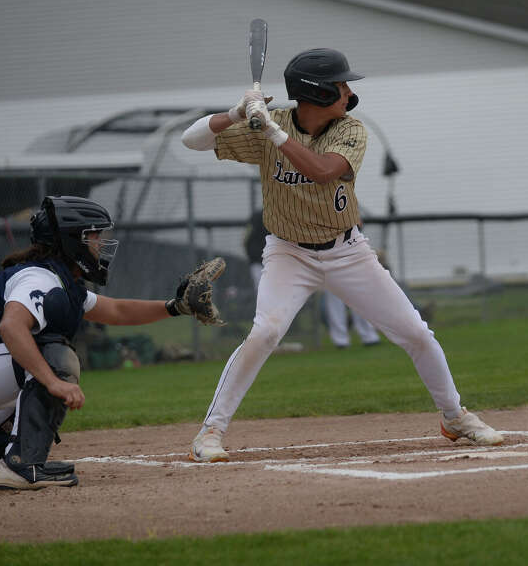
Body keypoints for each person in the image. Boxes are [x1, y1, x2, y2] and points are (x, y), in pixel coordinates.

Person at [180, 46, 503, 462]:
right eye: (340, 85)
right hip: (288, 253)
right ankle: (210, 432)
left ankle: (454, 417)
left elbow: (322, 171)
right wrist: (236, 113)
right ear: (317, 92)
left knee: (416, 333)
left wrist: (273, 134)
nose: (348, 92)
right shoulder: (269, 125)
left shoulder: (349, 130)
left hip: (347, 251)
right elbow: (192, 140)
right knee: (264, 333)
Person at [0, 195, 221, 490]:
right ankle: (22, 466)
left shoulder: (56, 278)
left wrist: (175, 307)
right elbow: (11, 327)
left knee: (42, 363)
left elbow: (116, 311)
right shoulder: (38, 277)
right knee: (55, 359)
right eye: (94, 237)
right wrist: (53, 382)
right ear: (72, 241)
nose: (101, 244)